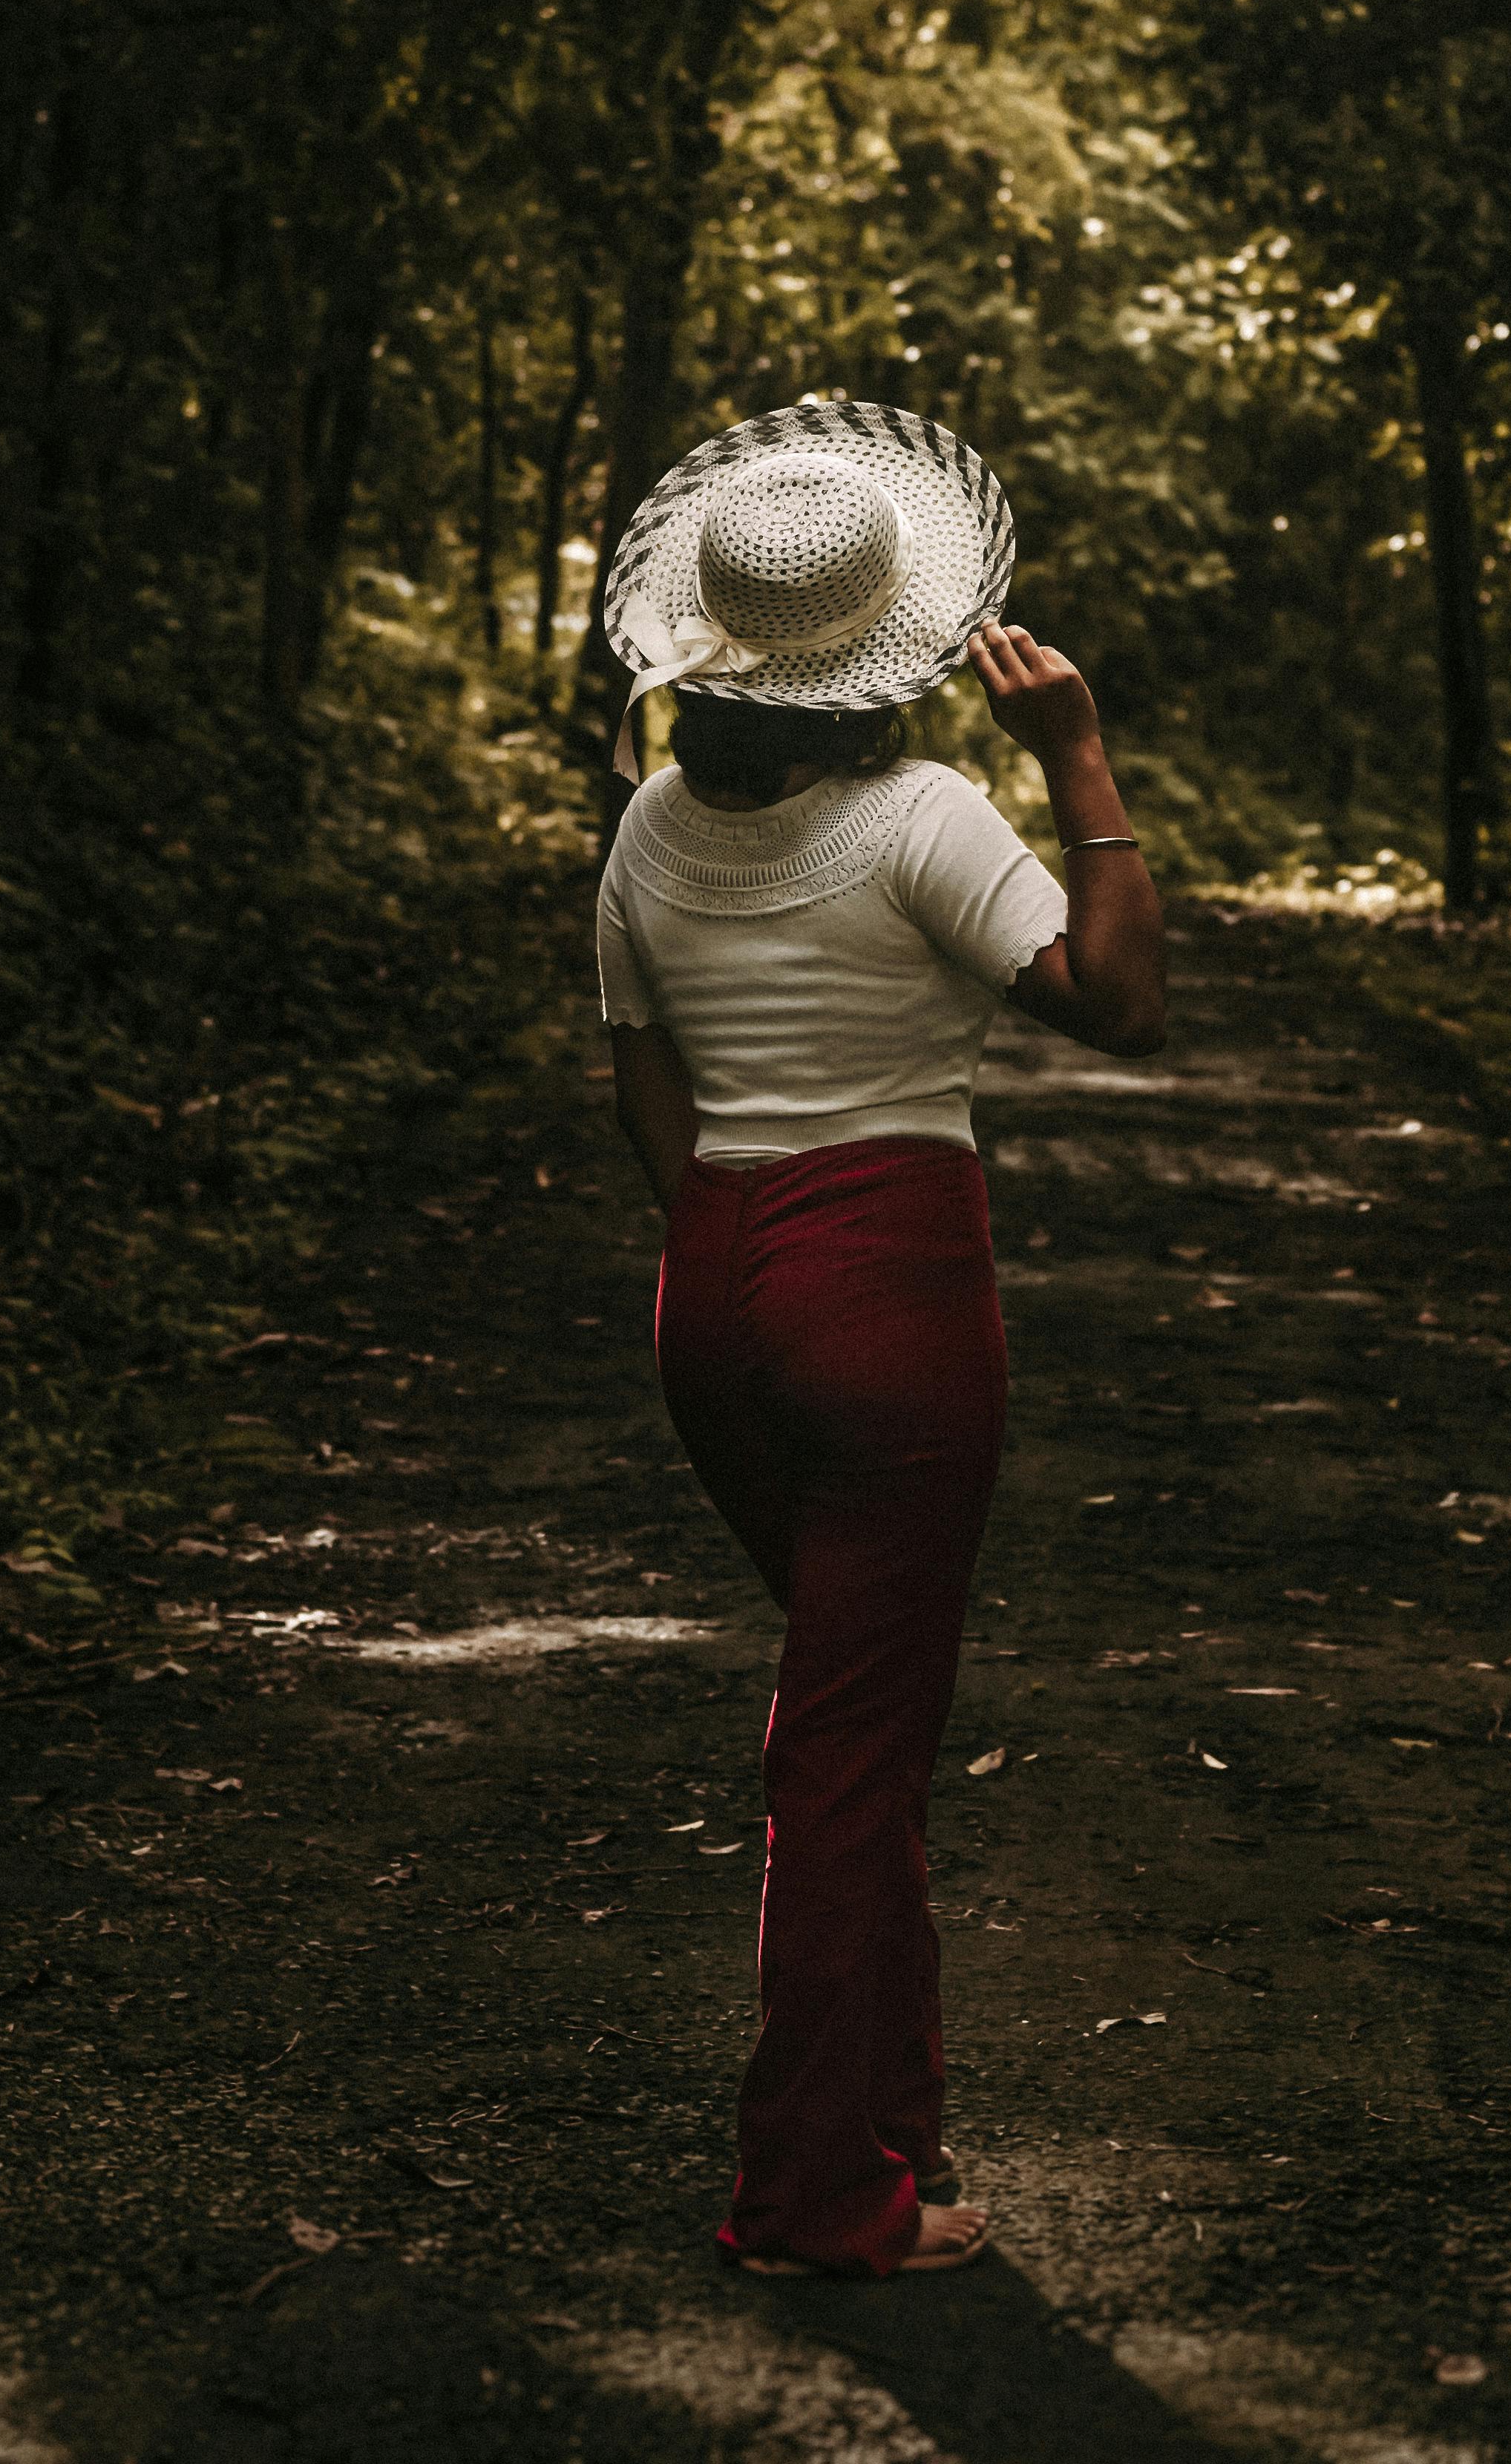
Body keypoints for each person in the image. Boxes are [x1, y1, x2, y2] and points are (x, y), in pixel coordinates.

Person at [594, 401, 1166, 2278]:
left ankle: (884, 2140)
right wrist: (1075, 754)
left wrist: (733, 1227)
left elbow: (650, 1096)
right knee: (847, 1753)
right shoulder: (922, 819)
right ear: (890, 641)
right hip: (890, 1295)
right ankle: (819, 2200)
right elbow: (1120, 1002)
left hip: (721, 1292)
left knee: (858, 1730)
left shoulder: (652, 830)